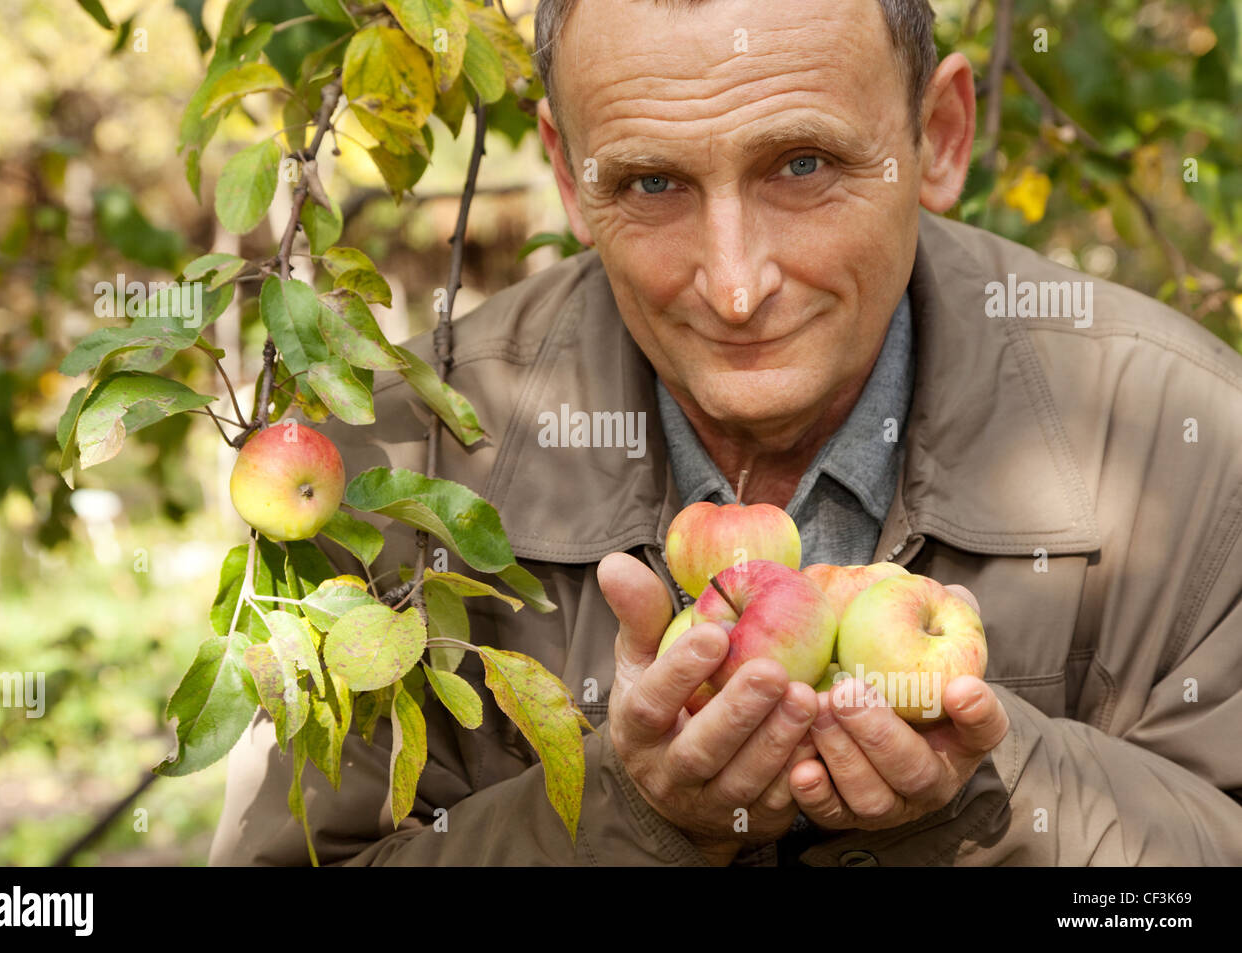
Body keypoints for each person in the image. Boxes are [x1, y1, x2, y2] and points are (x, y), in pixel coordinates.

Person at [209, 0, 1242, 865]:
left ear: (941, 137)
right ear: (569, 177)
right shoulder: (397, 469)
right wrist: (624, 813)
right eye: (652, 184)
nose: (737, 285)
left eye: (802, 166)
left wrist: (987, 791)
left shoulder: (1189, 440)